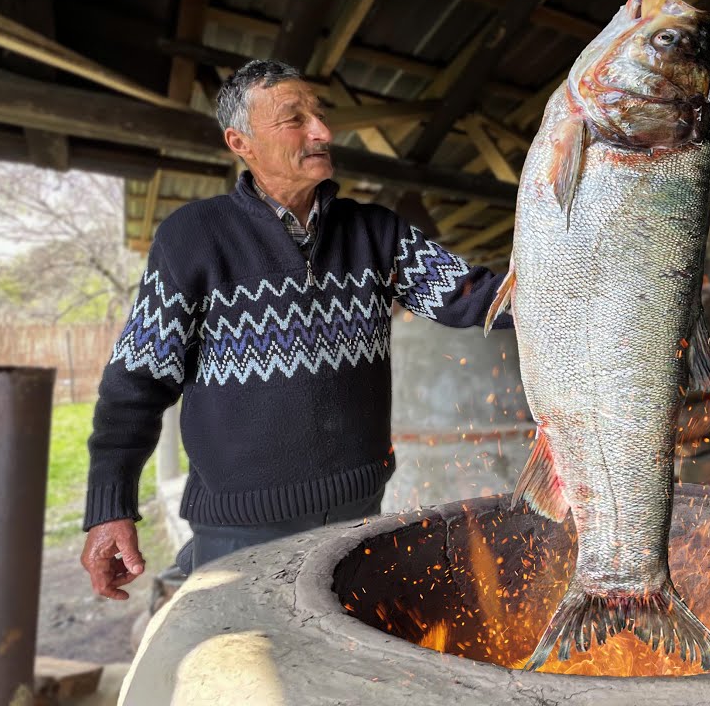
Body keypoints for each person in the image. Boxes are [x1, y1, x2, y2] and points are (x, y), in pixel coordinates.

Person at [80, 59, 513, 600]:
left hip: (358, 521)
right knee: (245, 677)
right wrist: (110, 506)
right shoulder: (193, 238)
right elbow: (136, 385)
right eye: (295, 120)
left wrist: (592, 289)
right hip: (240, 533)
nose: (323, 132)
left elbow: (472, 297)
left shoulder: (374, 232)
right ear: (242, 142)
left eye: (320, 115)